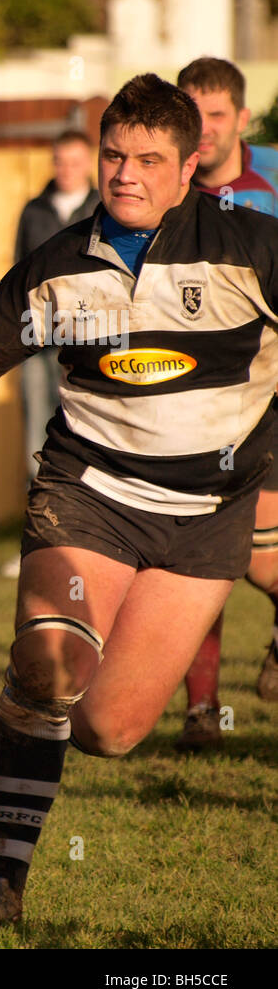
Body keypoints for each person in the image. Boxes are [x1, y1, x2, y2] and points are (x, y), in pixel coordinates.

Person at [0, 73, 278, 927]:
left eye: (148, 159)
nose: (126, 174)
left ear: (189, 167)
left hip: (207, 518)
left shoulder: (252, 249)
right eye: (115, 155)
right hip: (88, 496)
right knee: (49, 666)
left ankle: (35, 731)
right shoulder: (60, 264)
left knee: (109, 728)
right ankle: (0, 883)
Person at [173, 58, 278, 752]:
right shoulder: (163, 185)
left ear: (241, 118)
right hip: (192, 403)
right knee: (193, 556)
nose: (204, 129)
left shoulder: (272, 185)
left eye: (216, 115)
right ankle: (202, 710)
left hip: (270, 399)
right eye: (193, 114)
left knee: (258, 559)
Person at [14, 131, 101, 487]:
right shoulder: (33, 211)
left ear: (89, 163)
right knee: (36, 420)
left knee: (86, 421)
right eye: (60, 161)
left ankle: (82, 498)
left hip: (90, 340)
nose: (66, 169)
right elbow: (20, 273)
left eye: (74, 162)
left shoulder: (104, 208)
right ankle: (38, 496)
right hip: (39, 339)